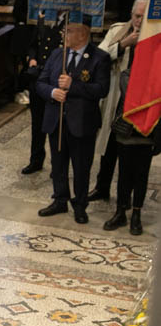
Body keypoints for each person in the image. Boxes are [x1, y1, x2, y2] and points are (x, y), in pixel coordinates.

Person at [36, 22, 110, 224]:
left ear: (83, 34)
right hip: (56, 119)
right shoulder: (56, 54)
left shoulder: (99, 58)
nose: (64, 34)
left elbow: (102, 89)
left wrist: (73, 86)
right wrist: (52, 92)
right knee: (58, 164)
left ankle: (80, 205)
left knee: (81, 166)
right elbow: (40, 82)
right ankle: (60, 200)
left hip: (82, 122)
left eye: (69, 31)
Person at [89, 0, 146, 203]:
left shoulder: (154, 36)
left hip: (138, 101)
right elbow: (99, 56)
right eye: (137, 16)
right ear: (131, 15)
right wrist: (124, 44)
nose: (139, 20)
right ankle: (101, 188)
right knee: (108, 147)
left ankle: (126, 196)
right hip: (115, 96)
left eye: (144, 16)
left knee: (130, 153)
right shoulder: (118, 30)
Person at [101, 71, 160, 236]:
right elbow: (133, 95)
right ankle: (120, 212)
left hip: (148, 133)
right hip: (127, 132)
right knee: (124, 175)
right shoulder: (127, 74)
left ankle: (136, 214)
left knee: (141, 177)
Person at [20, 13, 63, 175]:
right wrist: (31, 58)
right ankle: (36, 160)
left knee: (55, 125)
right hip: (38, 78)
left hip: (56, 80)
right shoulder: (43, 19)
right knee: (37, 123)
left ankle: (57, 164)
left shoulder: (72, 21)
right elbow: (33, 45)